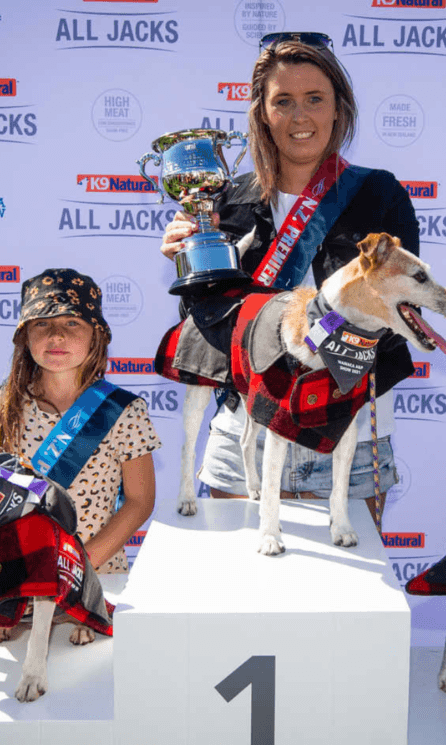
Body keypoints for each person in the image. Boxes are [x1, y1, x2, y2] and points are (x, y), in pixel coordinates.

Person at [159, 32, 418, 523]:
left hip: (345, 435)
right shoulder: (225, 199)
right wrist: (190, 265)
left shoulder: (378, 195)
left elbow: (401, 314)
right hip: (244, 437)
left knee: (349, 600)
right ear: (262, 113)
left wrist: (313, 348)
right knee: (238, 597)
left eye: (315, 99)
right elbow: (208, 328)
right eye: (283, 102)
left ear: (339, 109)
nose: (300, 117)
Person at [0, 269, 160, 577]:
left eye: (72, 322)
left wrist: (77, 565)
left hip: (96, 576)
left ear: (96, 334)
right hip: (16, 576)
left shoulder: (124, 411)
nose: (57, 335)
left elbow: (140, 501)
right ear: (25, 336)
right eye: (42, 323)